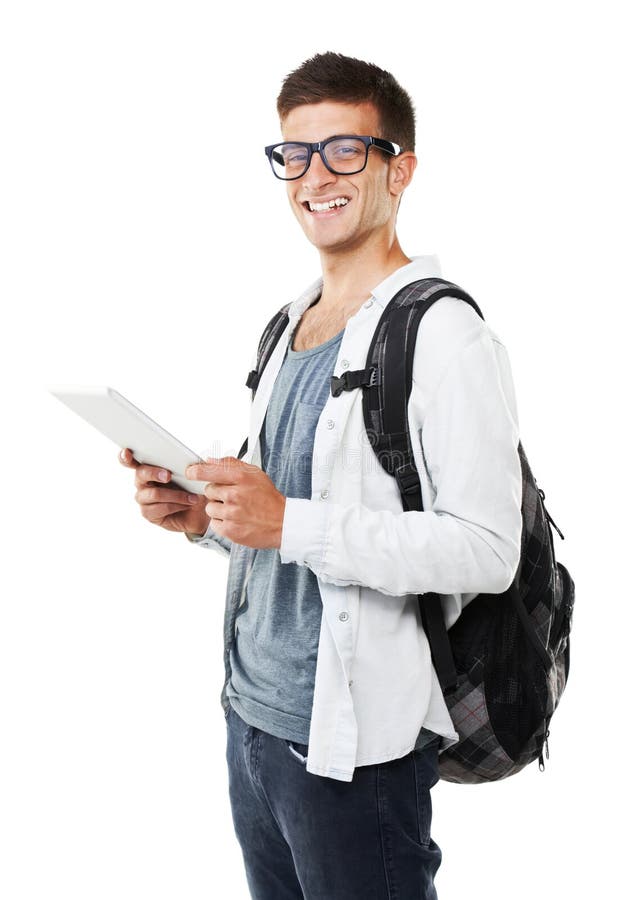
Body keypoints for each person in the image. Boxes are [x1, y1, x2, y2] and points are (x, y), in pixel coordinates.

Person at [120, 51, 522, 900]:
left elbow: (488, 550)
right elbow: (279, 524)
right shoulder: (289, 322)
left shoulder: (445, 334)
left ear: (398, 171)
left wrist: (288, 522)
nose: (315, 176)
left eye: (345, 150)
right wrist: (205, 518)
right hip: (251, 723)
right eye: (295, 154)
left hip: (353, 752)